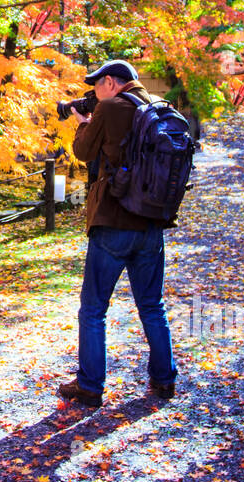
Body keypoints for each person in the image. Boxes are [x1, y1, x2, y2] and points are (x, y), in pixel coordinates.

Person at [59, 59, 178, 408]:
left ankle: (90, 386)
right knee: (152, 305)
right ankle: (164, 379)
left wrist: (84, 123)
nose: (94, 95)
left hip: (113, 223)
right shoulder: (159, 108)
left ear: (110, 82)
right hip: (152, 224)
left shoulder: (111, 108)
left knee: (93, 309)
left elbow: (83, 152)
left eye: (96, 87)